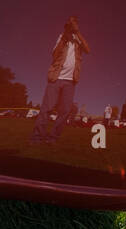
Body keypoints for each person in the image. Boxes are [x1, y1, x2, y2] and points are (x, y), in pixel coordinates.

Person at [31, 16, 91, 144]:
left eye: (75, 23)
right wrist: (64, 37)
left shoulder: (78, 40)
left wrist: (77, 33)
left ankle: (53, 138)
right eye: (71, 24)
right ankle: (37, 137)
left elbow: (87, 49)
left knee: (64, 111)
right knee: (47, 108)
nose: (73, 25)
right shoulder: (61, 37)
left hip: (70, 81)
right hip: (56, 78)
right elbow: (55, 54)